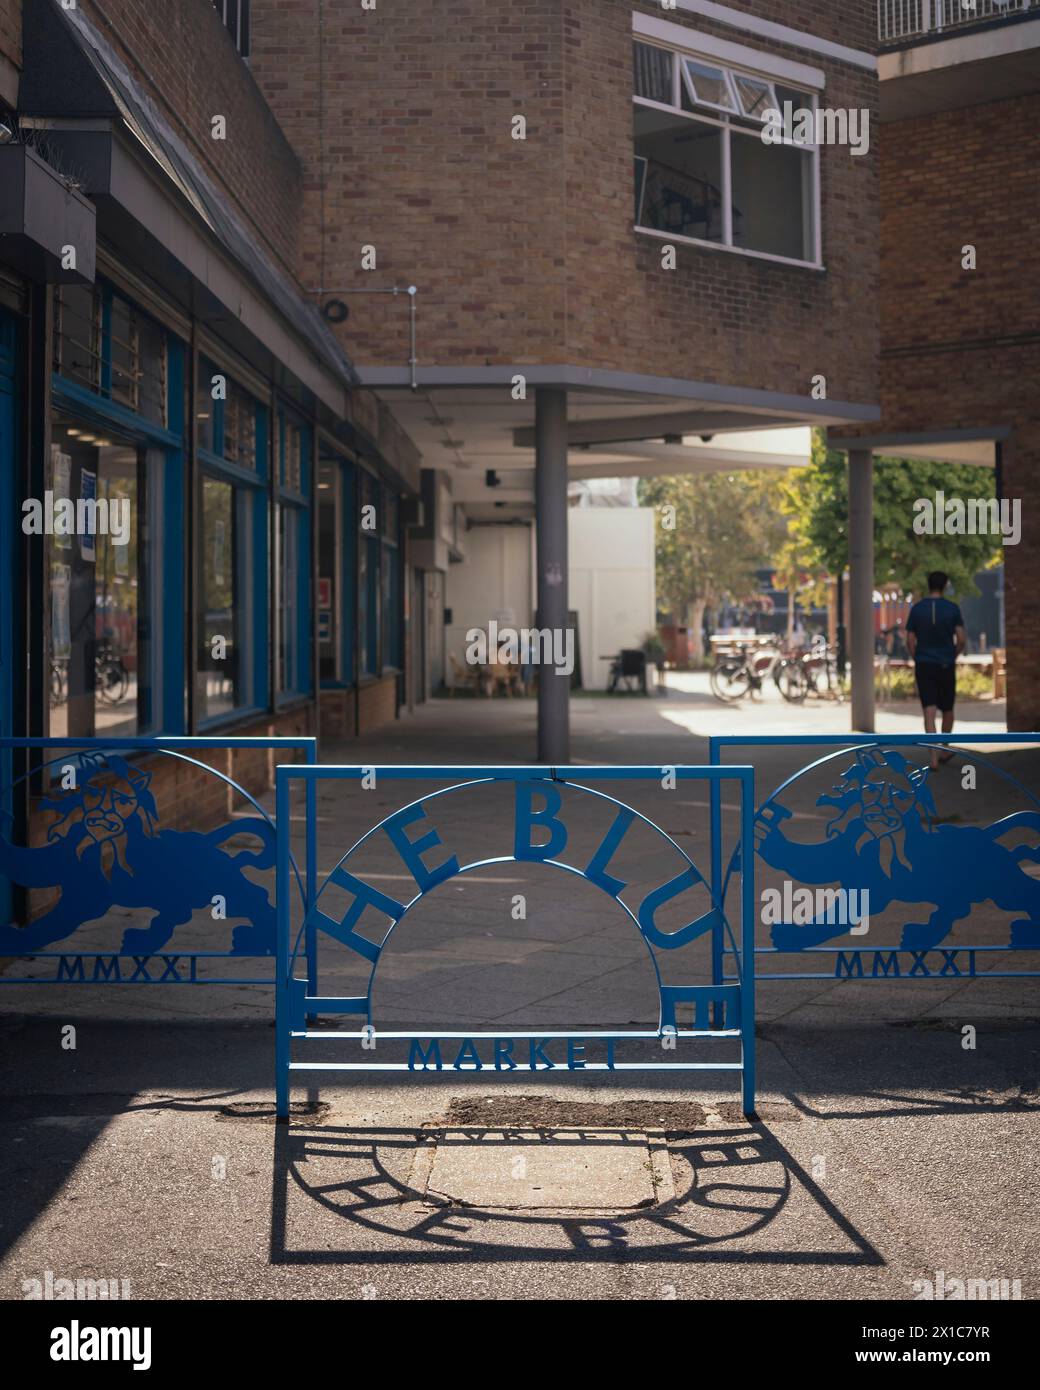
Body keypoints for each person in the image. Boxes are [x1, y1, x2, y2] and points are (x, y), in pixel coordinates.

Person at [905, 571, 966, 768]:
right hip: (945, 664)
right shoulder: (952, 608)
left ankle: (933, 758)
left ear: (928, 585)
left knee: (928, 711)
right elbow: (961, 638)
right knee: (948, 709)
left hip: (924, 663)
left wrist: (917, 656)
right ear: (945, 585)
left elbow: (910, 639)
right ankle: (944, 750)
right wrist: (953, 655)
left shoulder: (917, 609)